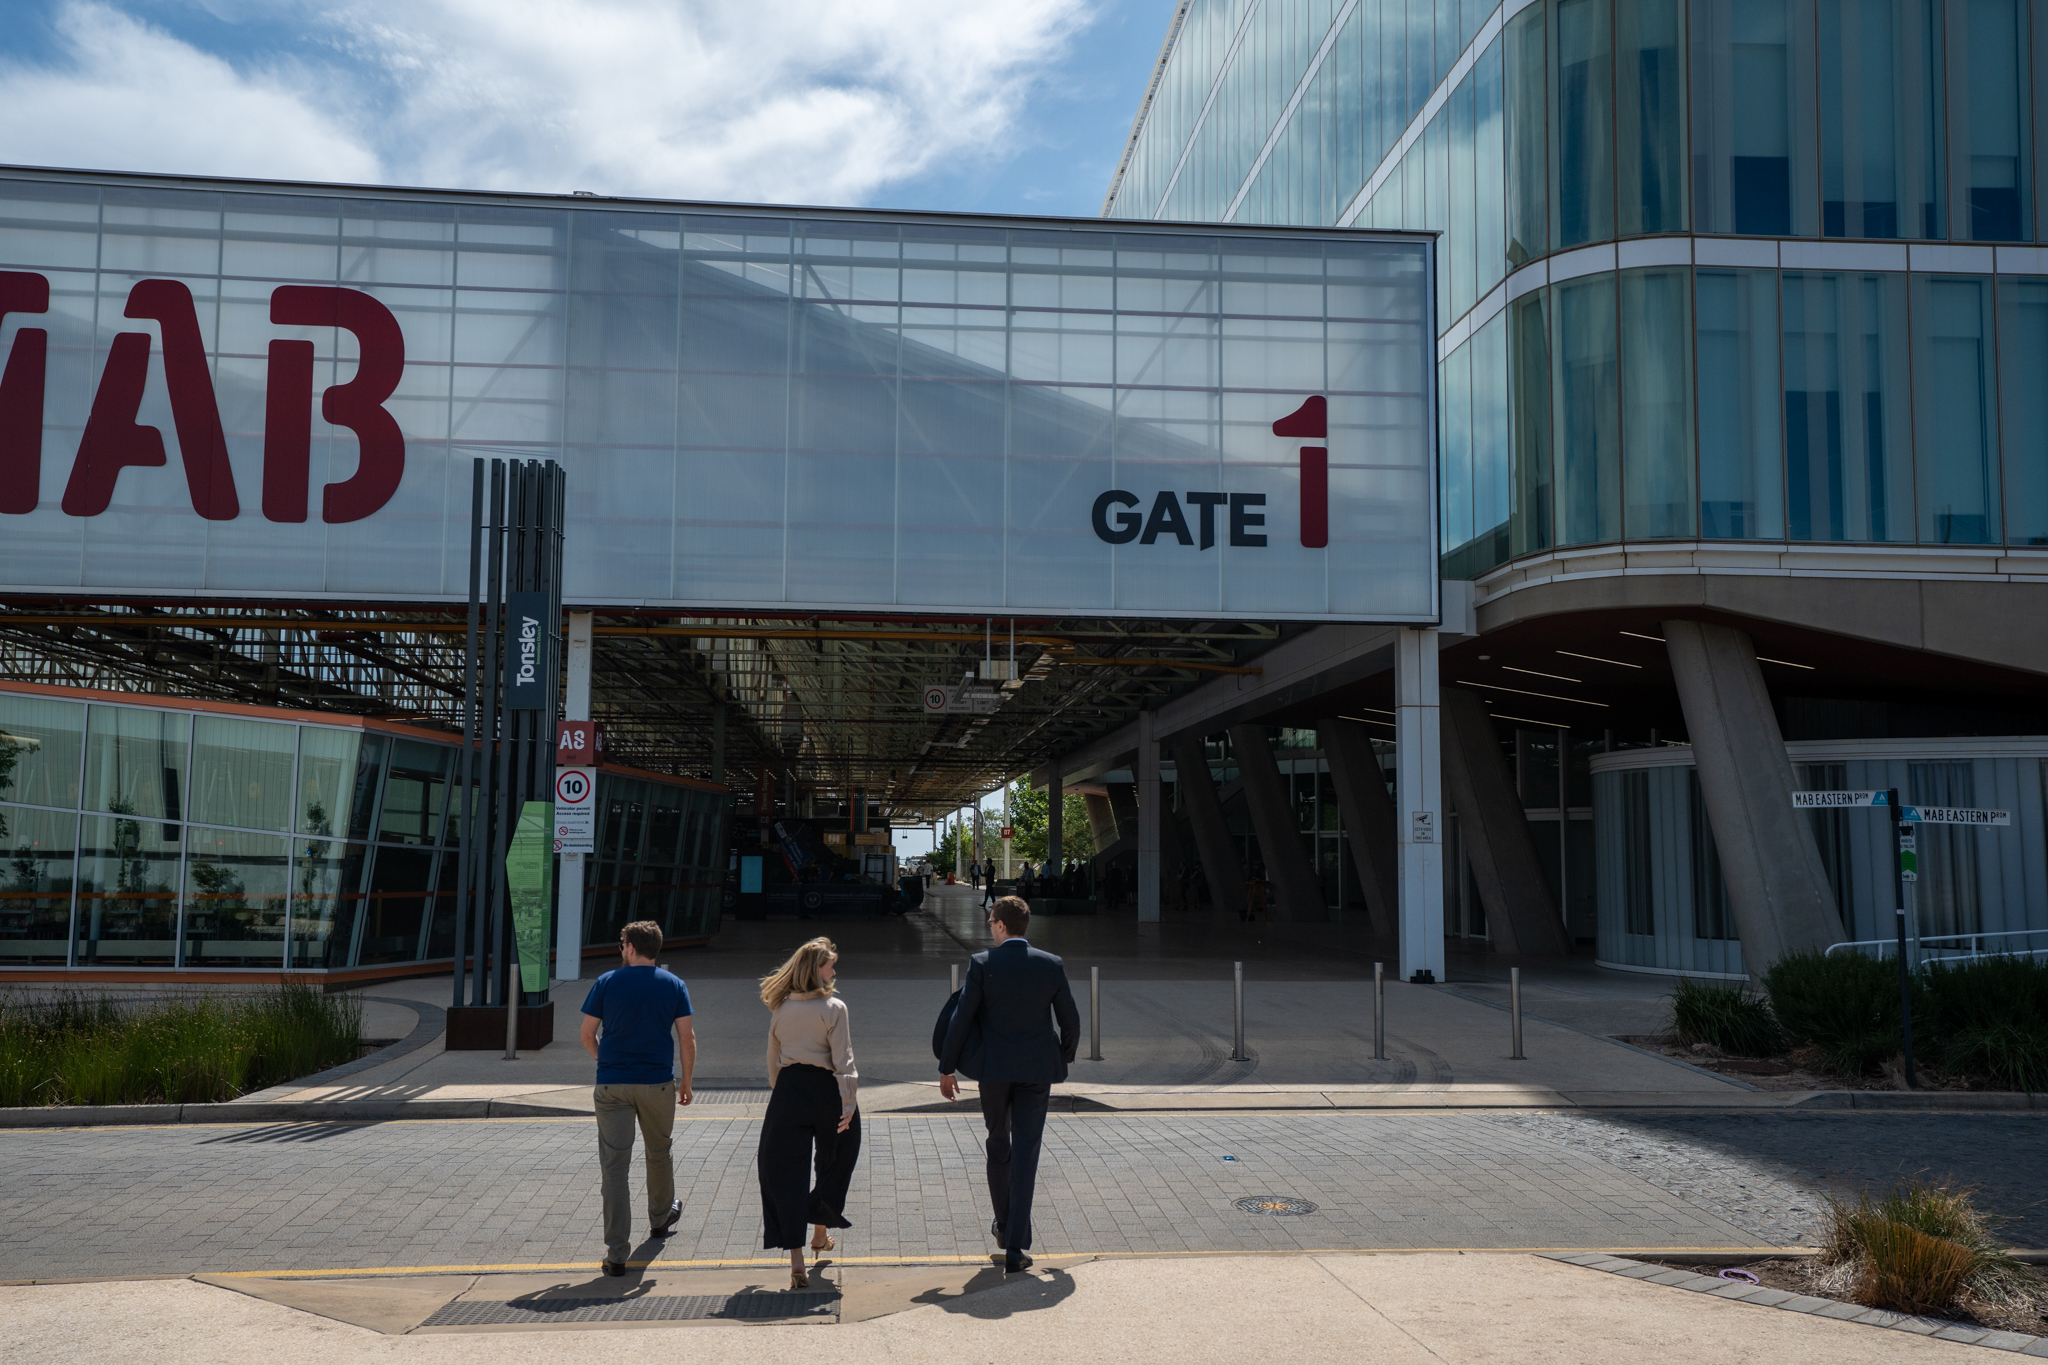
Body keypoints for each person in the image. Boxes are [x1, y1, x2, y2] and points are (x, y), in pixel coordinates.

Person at [938, 895, 1080, 1274]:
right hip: (1037, 1072)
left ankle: (1003, 1224)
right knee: (1027, 1151)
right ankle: (1016, 1244)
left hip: (994, 1072)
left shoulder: (983, 964)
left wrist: (947, 1067)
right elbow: (1071, 1021)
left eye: (989, 922)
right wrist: (1062, 1057)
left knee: (998, 1143)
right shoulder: (1051, 964)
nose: (989, 928)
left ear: (1001, 925)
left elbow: (963, 1017)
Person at [580, 920, 695, 1277]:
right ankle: (660, 1219)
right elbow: (687, 1038)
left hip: (612, 1085)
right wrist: (686, 1082)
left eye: (621, 944)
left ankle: (616, 1254)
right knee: (659, 1152)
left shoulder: (607, 982)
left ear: (630, 947)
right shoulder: (674, 985)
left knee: (615, 1167)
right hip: (657, 1083)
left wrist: (607, 1061)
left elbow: (587, 1033)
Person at [758, 936, 861, 1290]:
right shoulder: (835, 1008)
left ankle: (797, 1257)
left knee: (783, 1170)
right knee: (836, 1159)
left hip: (789, 1090)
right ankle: (821, 1230)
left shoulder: (780, 1007)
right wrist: (848, 1105)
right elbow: (843, 1062)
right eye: (830, 965)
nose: (834, 970)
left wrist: (783, 1093)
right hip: (827, 1091)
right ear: (817, 971)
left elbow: (773, 1062)